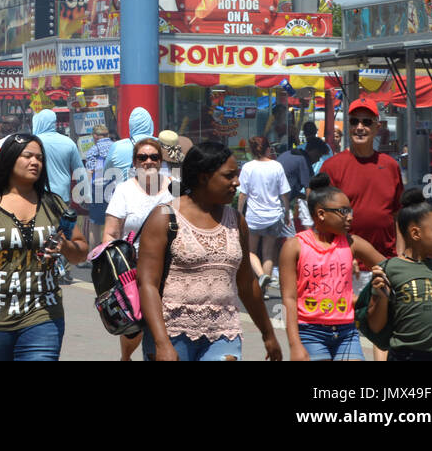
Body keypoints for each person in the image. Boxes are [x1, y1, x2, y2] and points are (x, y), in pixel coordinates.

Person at [137, 141, 282, 361]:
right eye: (229, 176)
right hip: (172, 333)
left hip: (224, 333)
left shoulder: (236, 221)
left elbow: (246, 283)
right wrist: (161, 342)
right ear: (204, 177)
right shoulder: (165, 217)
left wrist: (268, 334)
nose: (237, 183)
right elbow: (147, 283)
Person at [0, 132, 88, 360]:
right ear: (9, 160)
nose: (35, 162)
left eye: (39, 158)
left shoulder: (53, 204)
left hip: (43, 316)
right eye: (27, 156)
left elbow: (81, 252)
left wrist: (66, 246)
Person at [323, 95, 403, 358]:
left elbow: (397, 216)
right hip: (346, 266)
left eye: (366, 122)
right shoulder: (333, 166)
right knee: (345, 331)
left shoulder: (390, 166)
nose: (360, 127)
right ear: (348, 125)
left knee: (382, 335)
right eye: (355, 121)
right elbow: (322, 219)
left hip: (385, 264)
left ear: (377, 127)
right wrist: (342, 254)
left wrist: (401, 260)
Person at [279, 172, 384, 361]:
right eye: (344, 211)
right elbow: (289, 298)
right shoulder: (294, 247)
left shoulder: (353, 243)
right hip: (309, 332)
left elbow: (390, 267)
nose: (350, 217)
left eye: (351, 211)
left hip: (347, 332)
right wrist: (295, 345)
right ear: (321, 213)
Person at [364, 188, 432, 361]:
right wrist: (380, 296)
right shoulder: (390, 269)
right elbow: (376, 326)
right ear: (415, 234)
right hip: (406, 356)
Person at [102, 135, 173, 360]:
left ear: (161, 161)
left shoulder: (174, 186)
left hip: (171, 267)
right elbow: (111, 232)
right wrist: (114, 269)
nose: (148, 162)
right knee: (135, 324)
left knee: (162, 323)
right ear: (134, 163)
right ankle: (126, 356)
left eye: (154, 157)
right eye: (142, 157)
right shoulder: (124, 190)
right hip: (135, 270)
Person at [238, 135, 291, 294]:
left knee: (250, 252)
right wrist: (287, 213)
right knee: (268, 254)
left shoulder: (248, 167)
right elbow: (285, 194)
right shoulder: (277, 166)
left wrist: (239, 213)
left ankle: (260, 277)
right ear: (268, 149)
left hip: (254, 217)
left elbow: (242, 194)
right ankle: (264, 290)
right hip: (274, 215)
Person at [82, 125, 113, 249]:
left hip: (98, 189)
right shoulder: (116, 147)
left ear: (95, 136)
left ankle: (94, 255)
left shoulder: (93, 150)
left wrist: (86, 193)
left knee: (95, 224)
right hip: (115, 187)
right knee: (113, 221)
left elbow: (90, 172)